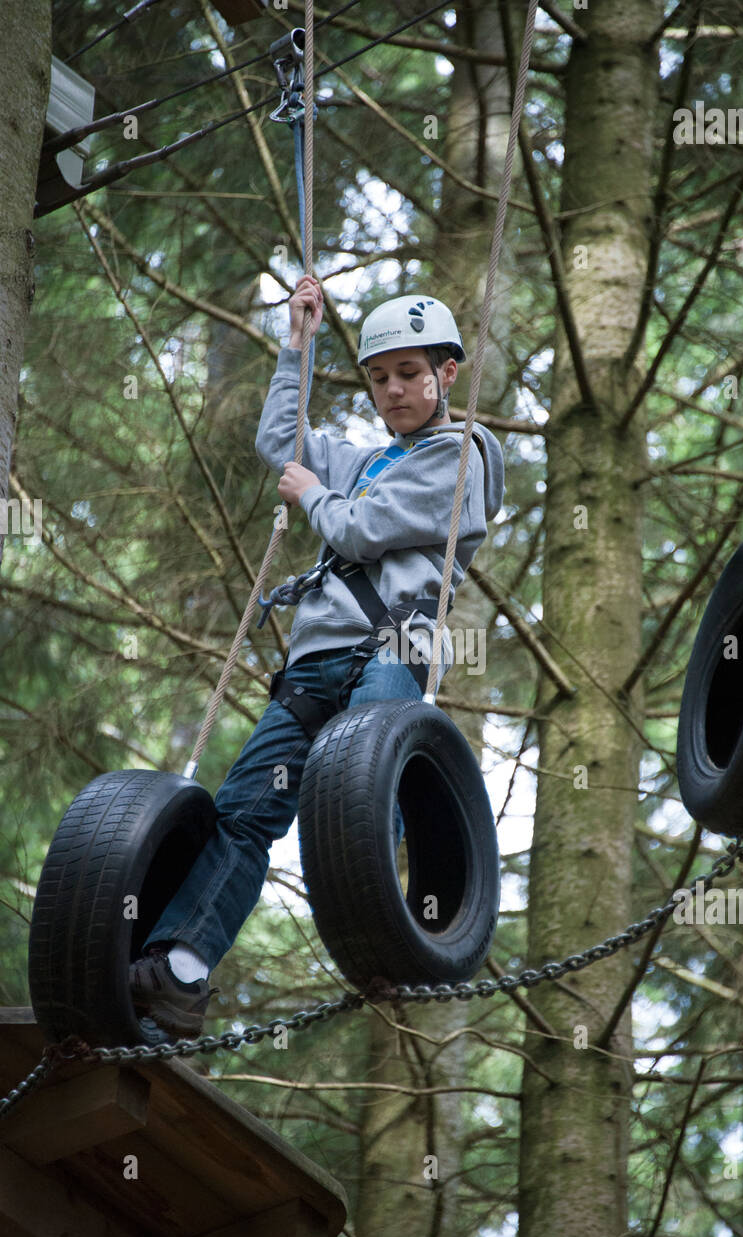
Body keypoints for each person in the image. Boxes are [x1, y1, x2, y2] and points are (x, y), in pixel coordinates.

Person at [129, 276, 505, 1037]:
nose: (393, 390)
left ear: (447, 375)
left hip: (391, 648)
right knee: (242, 813)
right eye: (377, 378)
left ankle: (387, 933)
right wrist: (296, 342)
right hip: (313, 667)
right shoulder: (366, 461)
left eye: (409, 373)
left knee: (362, 795)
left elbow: (362, 533)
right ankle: (180, 970)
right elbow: (282, 442)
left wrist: (309, 496)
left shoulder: (464, 456)